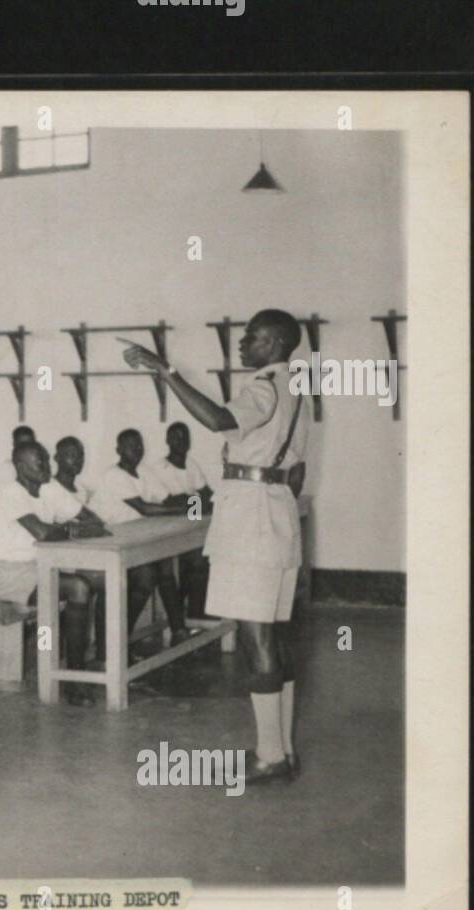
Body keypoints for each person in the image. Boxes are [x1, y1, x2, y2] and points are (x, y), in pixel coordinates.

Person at [123, 308, 309, 783]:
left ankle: (269, 755)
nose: (243, 344)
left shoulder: (264, 387)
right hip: (277, 511)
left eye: (252, 337)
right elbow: (297, 468)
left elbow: (219, 419)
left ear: (275, 343)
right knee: (271, 633)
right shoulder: (296, 388)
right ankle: (282, 749)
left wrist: (165, 372)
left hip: (253, 519)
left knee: (256, 635)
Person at [0, 441, 107, 707]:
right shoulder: (10, 493)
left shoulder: (48, 490)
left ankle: (100, 658)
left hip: (39, 567)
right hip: (6, 575)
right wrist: (69, 529)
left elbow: (92, 520)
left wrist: (69, 528)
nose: (47, 467)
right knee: (78, 587)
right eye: (40, 462)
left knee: (100, 577)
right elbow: (44, 533)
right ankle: (74, 678)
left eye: (47, 461)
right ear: (20, 467)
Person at [89, 429, 192, 654]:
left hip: (136, 537)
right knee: (147, 576)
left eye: (139, 445)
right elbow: (145, 508)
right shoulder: (114, 475)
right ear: (118, 450)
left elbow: (167, 498)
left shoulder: (143, 472)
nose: (136, 450)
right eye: (130, 446)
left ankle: (178, 631)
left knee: (165, 566)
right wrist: (186, 508)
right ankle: (115, 641)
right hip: (108, 543)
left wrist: (196, 501)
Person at [147, 422, 213, 619]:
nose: (180, 441)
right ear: (167, 441)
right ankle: (190, 616)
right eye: (175, 437)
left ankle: (196, 614)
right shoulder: (159, 467)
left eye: (184, 437)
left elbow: (207, 495)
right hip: (166, 532)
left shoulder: (191, 464)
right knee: (197, 562)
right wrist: (194, 502)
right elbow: (171, 502)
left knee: (205, 558)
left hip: (190, 530)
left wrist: (192, 502)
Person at [52, 436, 96, 507]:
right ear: (57, 458)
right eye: (72, 455)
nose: (78, 460)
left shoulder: (83, 491)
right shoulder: (48, 488)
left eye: (81, 455)